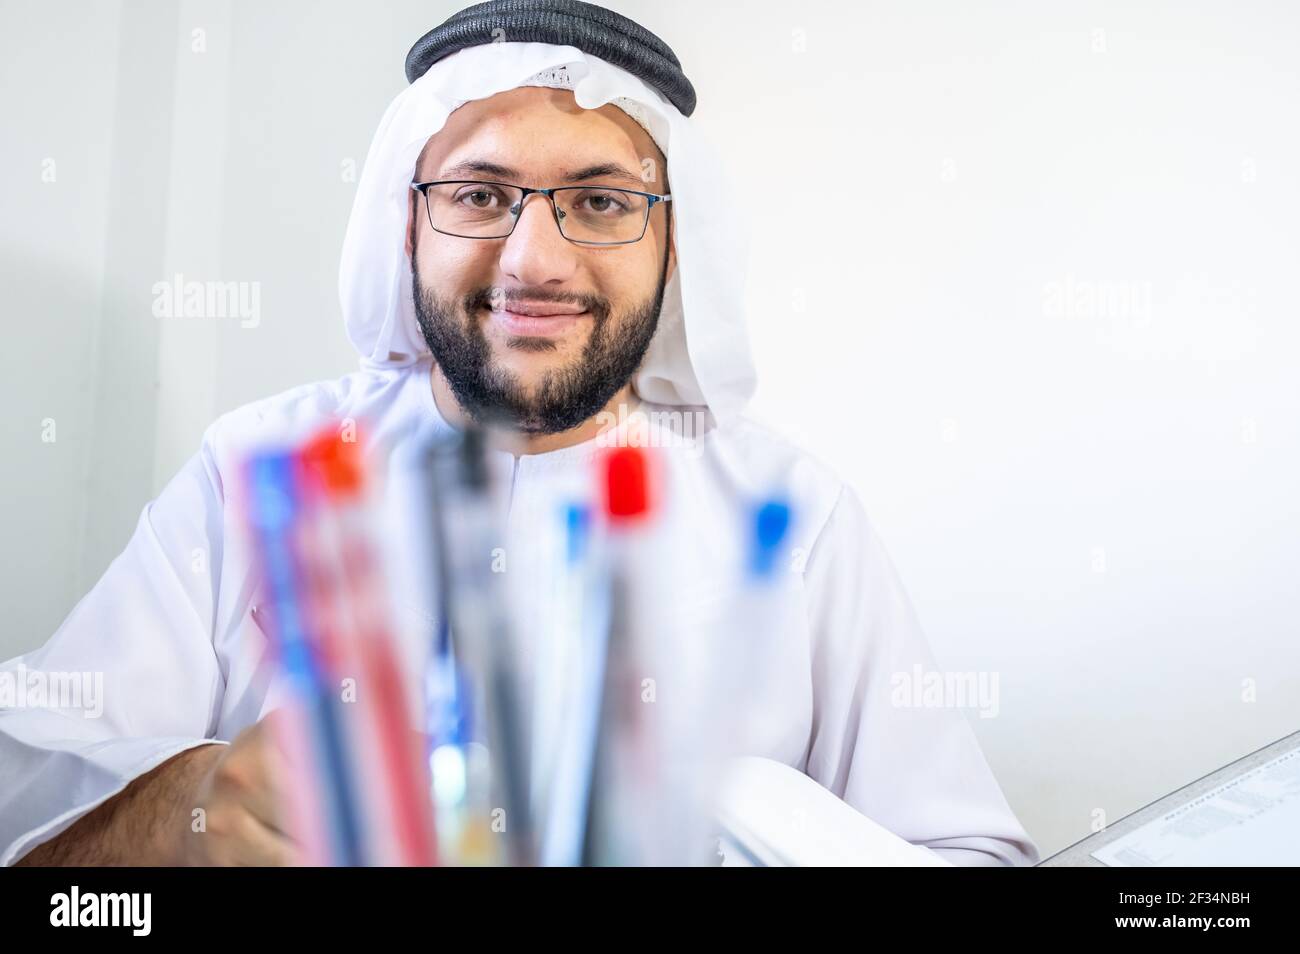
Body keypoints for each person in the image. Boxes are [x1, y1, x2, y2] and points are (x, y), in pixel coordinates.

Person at [1, 0, 1039, 867]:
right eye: (480, 194)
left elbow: (970, 854)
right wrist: (185, 804)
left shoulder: (796, 519)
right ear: (406, 223)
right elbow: (24, 805)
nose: (533, 261)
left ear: (675, 244)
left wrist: (751, 815)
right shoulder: (251, 476)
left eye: (599, 200)